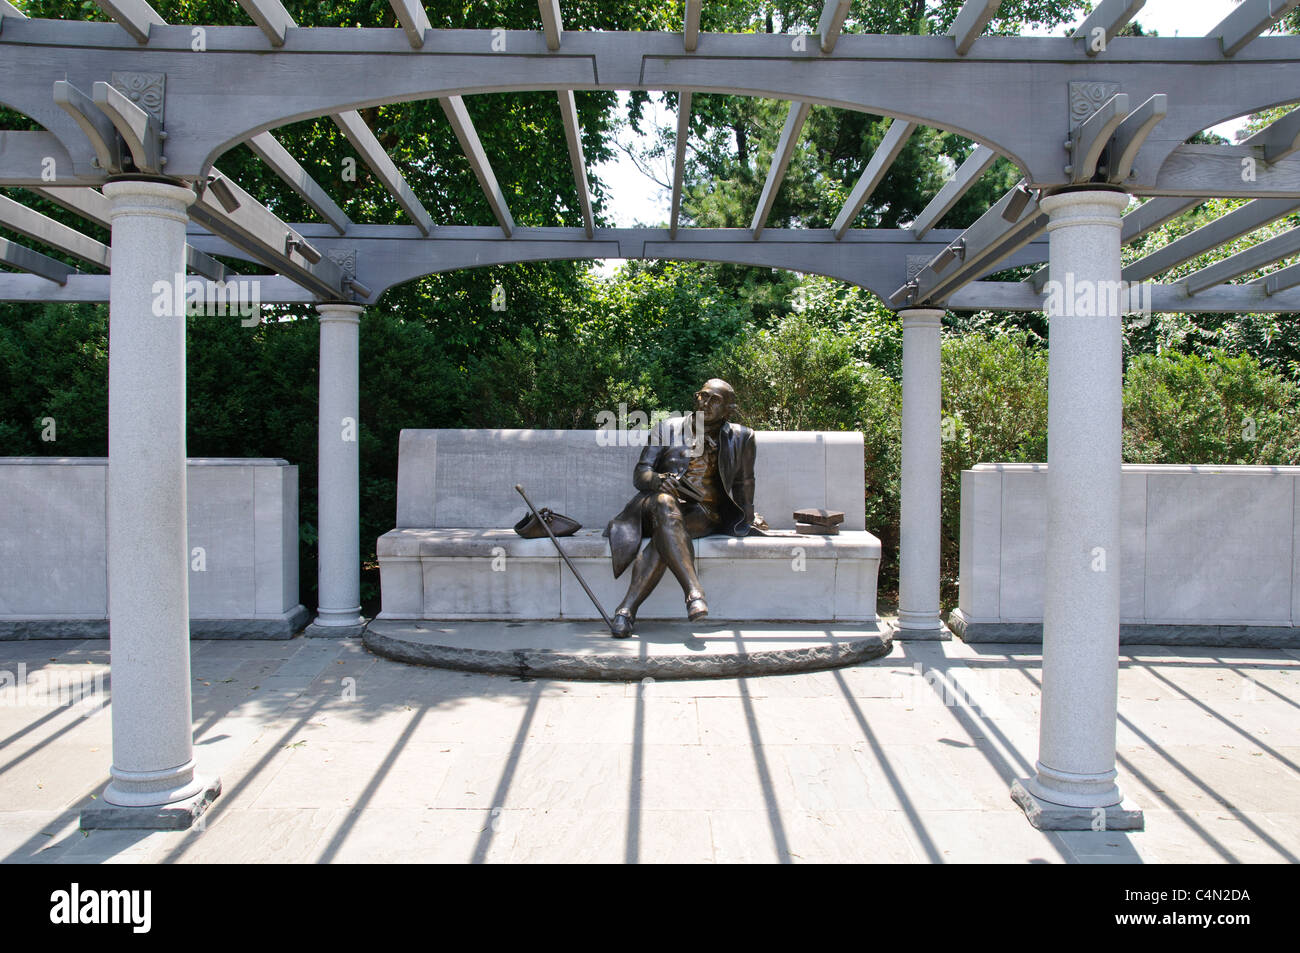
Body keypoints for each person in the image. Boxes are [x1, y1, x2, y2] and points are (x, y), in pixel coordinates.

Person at [604, 379, 757, 638]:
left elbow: (744, 482)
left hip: (704, 514)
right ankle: (694, 592)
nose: (704, 403)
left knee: (667, 537)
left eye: (714, 399)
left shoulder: (743, 437)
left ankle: (625, 610)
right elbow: (640, 474)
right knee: (665, 504)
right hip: (653, 507)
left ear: (730, 408)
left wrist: (747, 517)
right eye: (702, 396)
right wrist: (660, 481)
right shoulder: (668, 428)